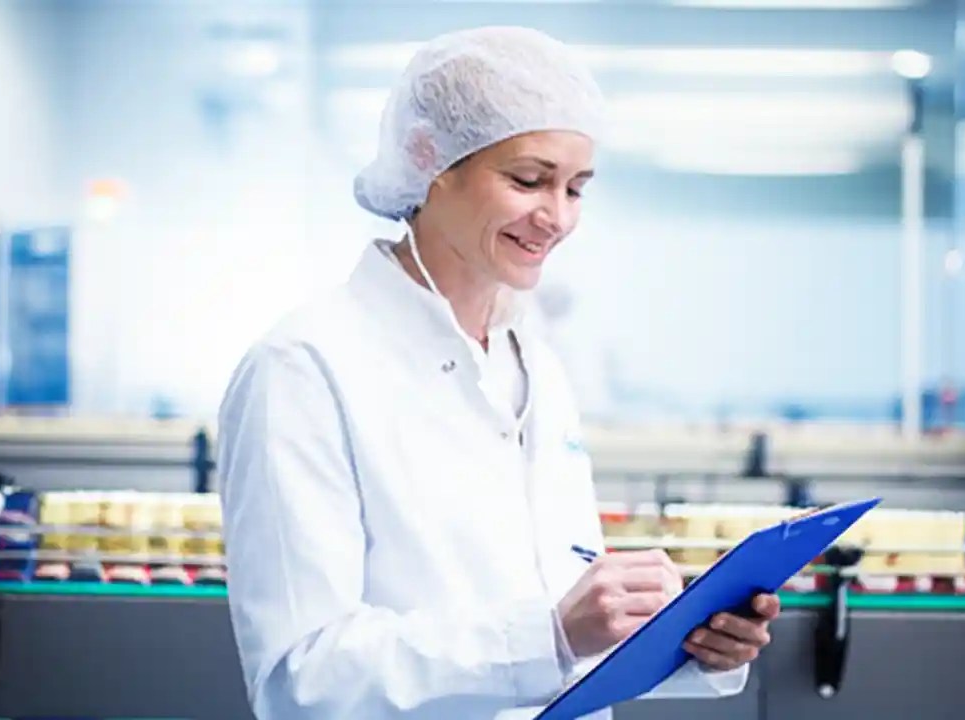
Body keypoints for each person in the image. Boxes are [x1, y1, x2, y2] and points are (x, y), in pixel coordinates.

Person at [217, 25, 780, 720]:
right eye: (528, 180)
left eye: (576, 188)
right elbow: (300, 678)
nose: (557, 217)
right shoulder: (304, 368)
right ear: (429, 158)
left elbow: (563, 642)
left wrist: (689, 646)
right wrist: (547, 635)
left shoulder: (532, 362)